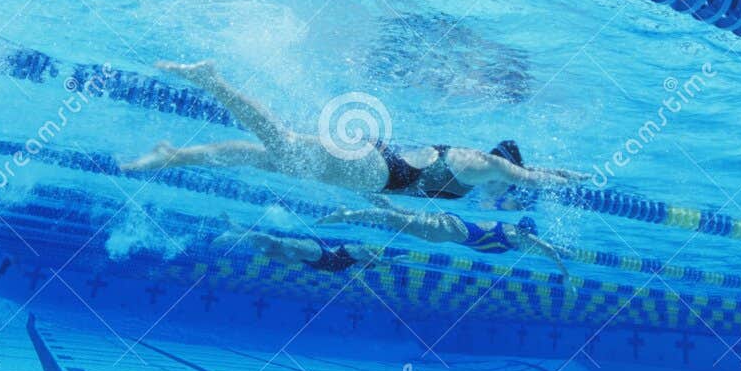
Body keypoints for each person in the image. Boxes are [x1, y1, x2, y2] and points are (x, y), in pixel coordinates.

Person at [120, 60, 586, 200]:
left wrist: (568, 175)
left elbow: (531, 171)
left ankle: (173, 155)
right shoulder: (483, 166)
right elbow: (525, 176)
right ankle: (212, 80)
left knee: (265, 157)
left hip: (375, 168)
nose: (503, 194)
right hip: (377, 168)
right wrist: (574, 186)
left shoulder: (481, 168)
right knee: (282, 147)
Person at [321, 200, 569, 276]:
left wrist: (562, 251)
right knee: (394, 219)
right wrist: (566, 276)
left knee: (400, 214)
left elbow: (548, 247)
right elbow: (548, 249)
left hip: (450, 226)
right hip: (449, 229)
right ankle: (346, 214)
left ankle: (374, 196)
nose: (528, 244)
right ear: (526, 233)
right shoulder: (517, 235)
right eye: (529, 239)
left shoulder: (515, 235)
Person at [209, 214, 384, 274]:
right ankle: (232, 237)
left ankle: (234, 228)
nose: (364, 267)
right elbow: (373, 258)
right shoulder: (357, 251)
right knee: (276, 242)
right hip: (315, 252)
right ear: (367, 259)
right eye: (368, 266)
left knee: (266, 251)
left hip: (305, 260)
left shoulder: (351, 263)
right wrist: (387, 261)